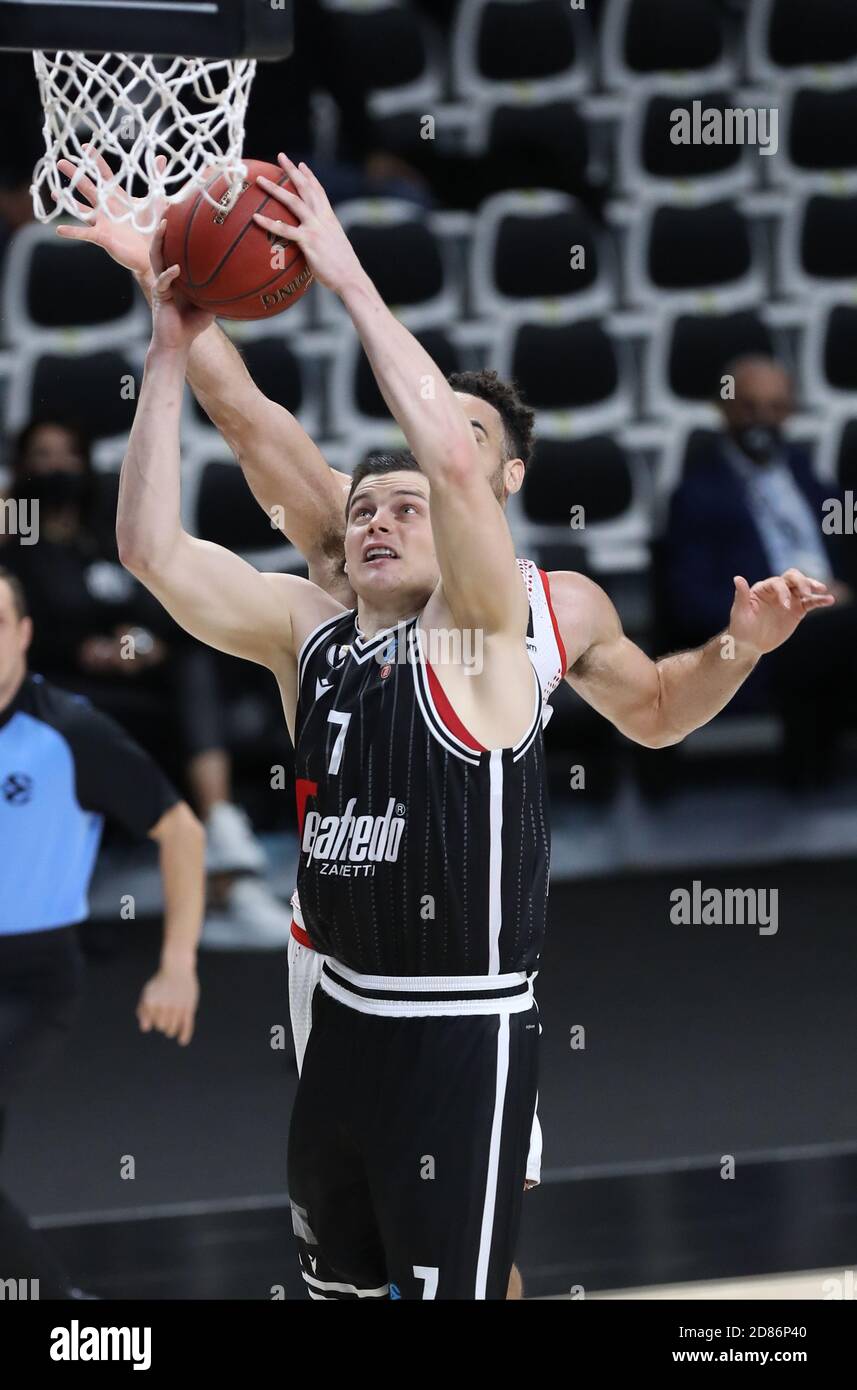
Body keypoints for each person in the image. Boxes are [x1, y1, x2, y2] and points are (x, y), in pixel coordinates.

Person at [112, 156, 831, 1297]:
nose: (393, 488)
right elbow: (241, 422)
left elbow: (651, 713)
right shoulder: (355, 550)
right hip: (334, 957)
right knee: (366, 1253)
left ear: (501, 475)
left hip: (463, 979)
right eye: (377, 495)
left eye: (448, 446)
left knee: (472, 1243)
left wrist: (736, 650)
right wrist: (170, 291)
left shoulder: (537, 605)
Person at [1, 417, 292, 943]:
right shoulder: (14, 543)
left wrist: (143, 643)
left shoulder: (107, 538)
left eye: (68, 454)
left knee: (193, 660)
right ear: (21, 468)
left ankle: (224, 847)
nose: (56, 467)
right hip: (56, 685)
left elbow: (157, 609)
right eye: (42, 456)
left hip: (135, 687)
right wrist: (83, 650)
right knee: (188, 715)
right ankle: (227, 868)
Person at [0, 565, 203, 1297]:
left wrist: (176, 965)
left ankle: (70, 1322)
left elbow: (180, 832)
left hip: (29, 979)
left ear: (24, 634)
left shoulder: (68, 730)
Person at [663, 354, 855, 782]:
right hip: (771, 633)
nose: (761, 420)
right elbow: (688, 600)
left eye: (774, 408)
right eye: (749, 407)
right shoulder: (697, 495)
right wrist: (772, 608)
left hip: (835, 612)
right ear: (725, 408)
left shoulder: (809, 479)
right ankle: (810, 777)